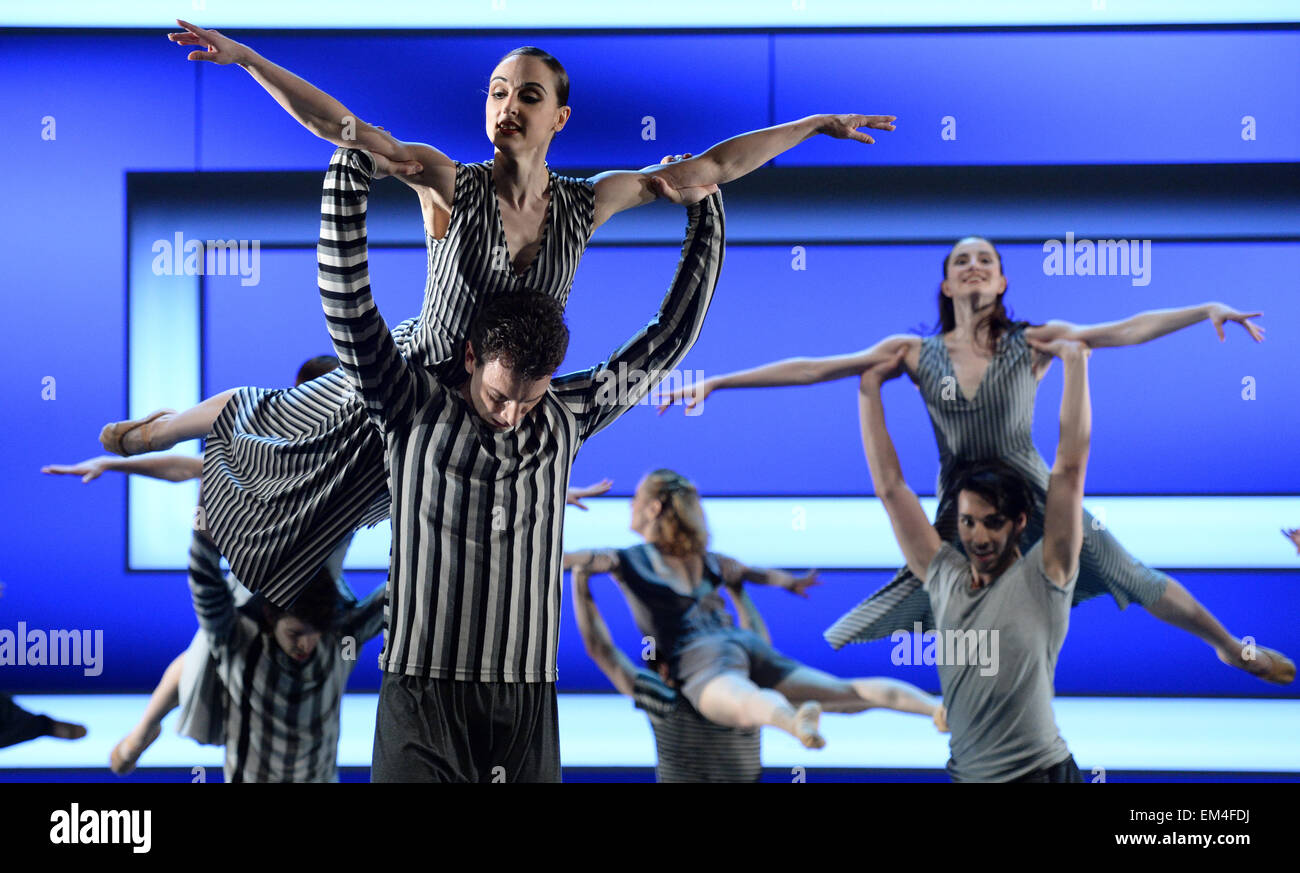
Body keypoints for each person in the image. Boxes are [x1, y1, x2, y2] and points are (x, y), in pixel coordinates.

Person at [101, 20, 896, 610]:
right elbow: (344, 129)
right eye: (497, 92)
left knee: (338, 529)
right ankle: (154, 431)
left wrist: (812, 127)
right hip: (404, 385)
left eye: (528, 95)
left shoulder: (586, 203)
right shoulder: (448, 182)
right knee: (270, 424)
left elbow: (712, 167)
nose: (508, 105)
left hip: (487, 416)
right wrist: (247, 59)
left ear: (560, 119)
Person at [662, 236, 1293, 685]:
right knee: (937, 611)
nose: (973, 266)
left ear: (1001, 282)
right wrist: (720, 381)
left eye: (985, 260)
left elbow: (1125, 329)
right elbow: (815, 368)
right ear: (946, 284)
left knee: (1134, 576)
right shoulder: (913, 352)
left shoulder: (1035, 340)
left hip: (1037, 495)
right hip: (963, 508)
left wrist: (1204, 310)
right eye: (960, 261)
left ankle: (1228, 647)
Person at [318, 142, 722, 781]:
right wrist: (351, 168)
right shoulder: (408, 402)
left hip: (525, 697)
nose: (511, 415)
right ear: (471, 356)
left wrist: (706, 213)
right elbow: (348, 307)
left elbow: (669, 337)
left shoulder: (568, 413)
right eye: (500, 396)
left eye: (529, 400)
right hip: (419, 690)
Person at [565, 469, 946, 752]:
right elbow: (753, 574)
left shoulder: (626, 559)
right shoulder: (708, 559)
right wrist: (790, 582)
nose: (629, 505)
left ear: (653, 507)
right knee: (848, 692)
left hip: (701, 659)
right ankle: (935, 708)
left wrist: (554, 512)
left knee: (746, 701)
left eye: (635, 499)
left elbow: (565, 561)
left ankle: (794, 722)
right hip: (744, 643)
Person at [857, 335, 1091, 782]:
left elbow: (1069, 470)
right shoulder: (943, 576)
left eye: (992, 522)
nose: (978, 537)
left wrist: (1075, 364)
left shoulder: (1046, 575)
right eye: (968, 522)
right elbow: (890, 489)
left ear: (1019, 522)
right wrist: (869, 389)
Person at [569, 555, 772, 782]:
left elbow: (601, 650)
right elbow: (759, 647)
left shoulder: (665, 701)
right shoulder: (741, 691)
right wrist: (737, 590)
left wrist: (581, 579)